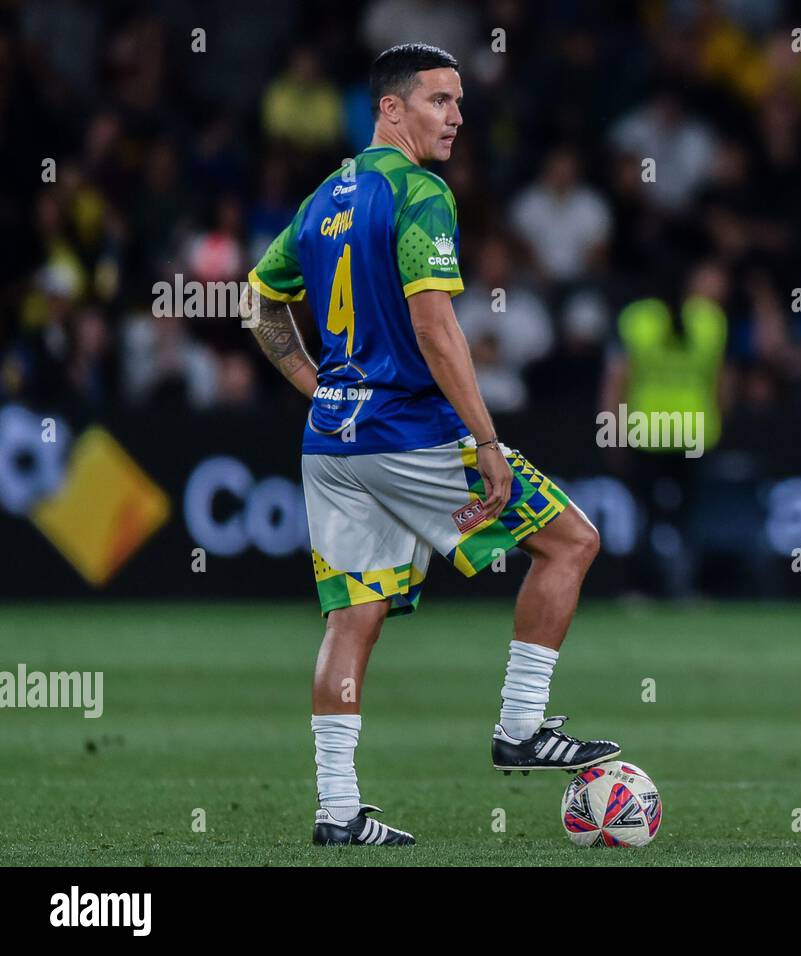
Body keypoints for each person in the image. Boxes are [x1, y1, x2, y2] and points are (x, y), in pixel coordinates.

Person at [242, 43, 618, 848]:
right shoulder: (418, 193)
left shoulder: (321, 201)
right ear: (390, 108)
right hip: (413, 433)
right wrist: (485, 440)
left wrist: (319, 389)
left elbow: (261, 301)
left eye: (458, 103)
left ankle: (338, 811)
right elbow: (435, 325)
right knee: (571, 542)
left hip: (332, 444)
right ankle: (521, 725)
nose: (455, 117)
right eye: (439, 100)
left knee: (355, 615)